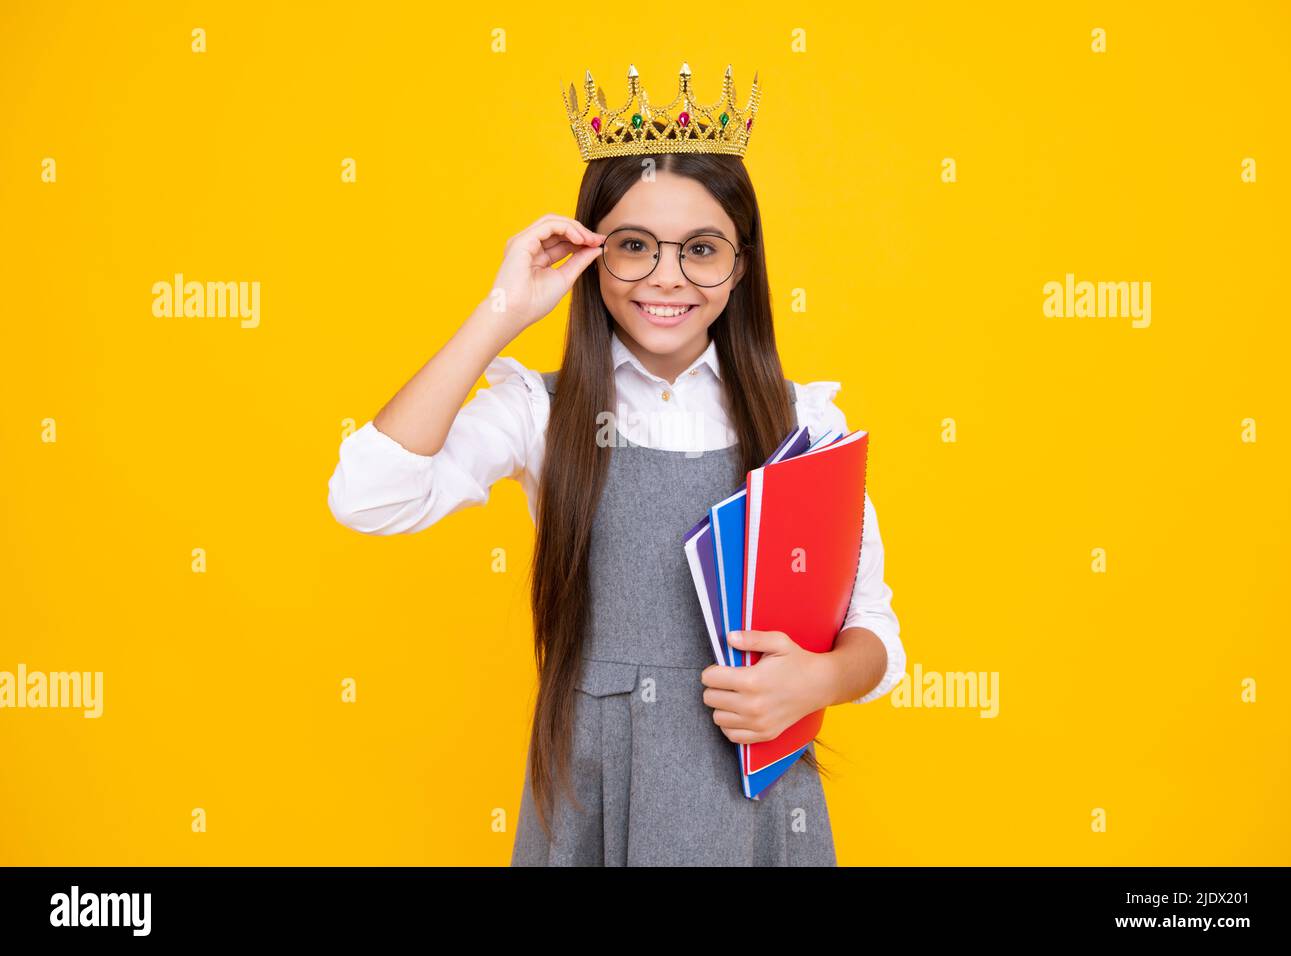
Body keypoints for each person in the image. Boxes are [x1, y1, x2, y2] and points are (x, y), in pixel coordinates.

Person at [326, 64, 905, 865]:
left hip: (755, 807)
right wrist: (501, 313)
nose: (667, 277)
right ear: (590, 255)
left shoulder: (803, 422)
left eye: (701, 249)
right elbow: (368, 496)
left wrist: (819, 681)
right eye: (634, 246)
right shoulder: (542, 413)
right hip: (590, 797)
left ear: (742, 265)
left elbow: (874, 628)